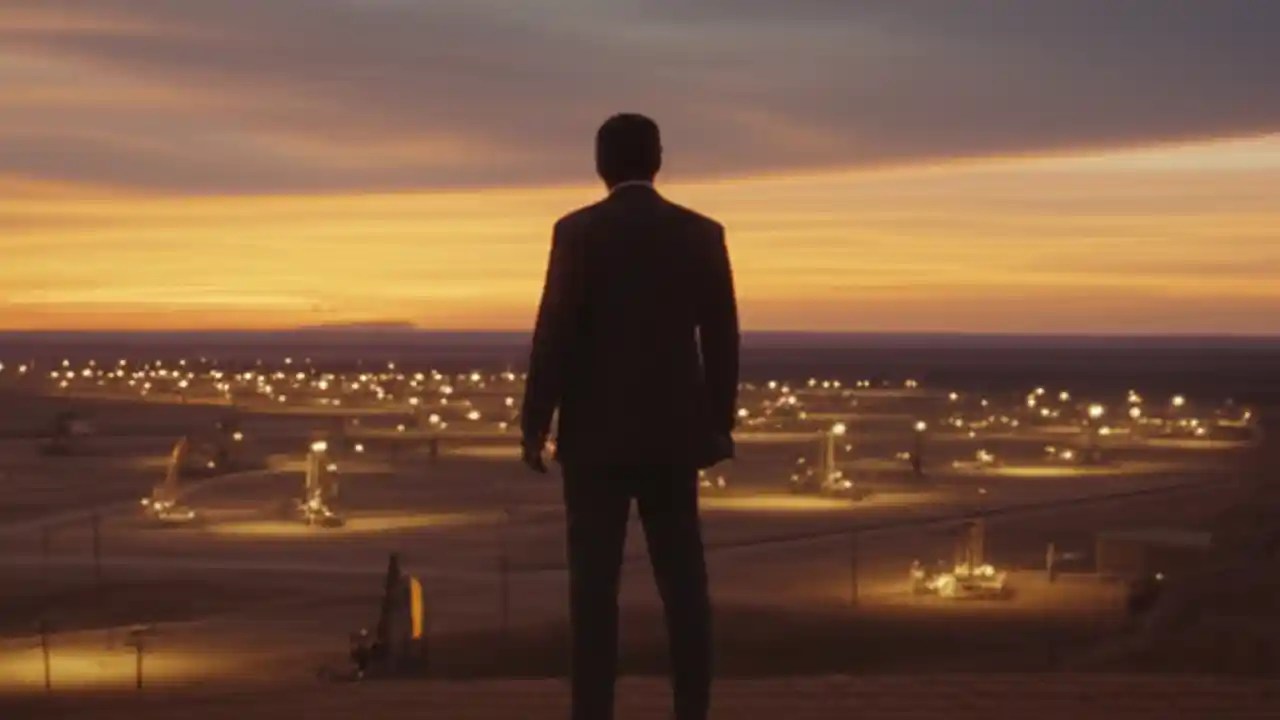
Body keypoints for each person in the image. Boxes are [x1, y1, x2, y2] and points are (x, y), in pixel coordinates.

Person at [520, 113, 739, 720]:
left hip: (593, 444)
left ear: (600, 163)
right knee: (685, 590)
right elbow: (722, 337)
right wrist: (719, 424)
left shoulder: (577, 233)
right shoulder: (700, 233)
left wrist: (535, 422)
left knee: (593, 594)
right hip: (674, 441)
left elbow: (554, 333)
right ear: (658, 160)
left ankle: (593, 712)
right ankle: (691, 710)